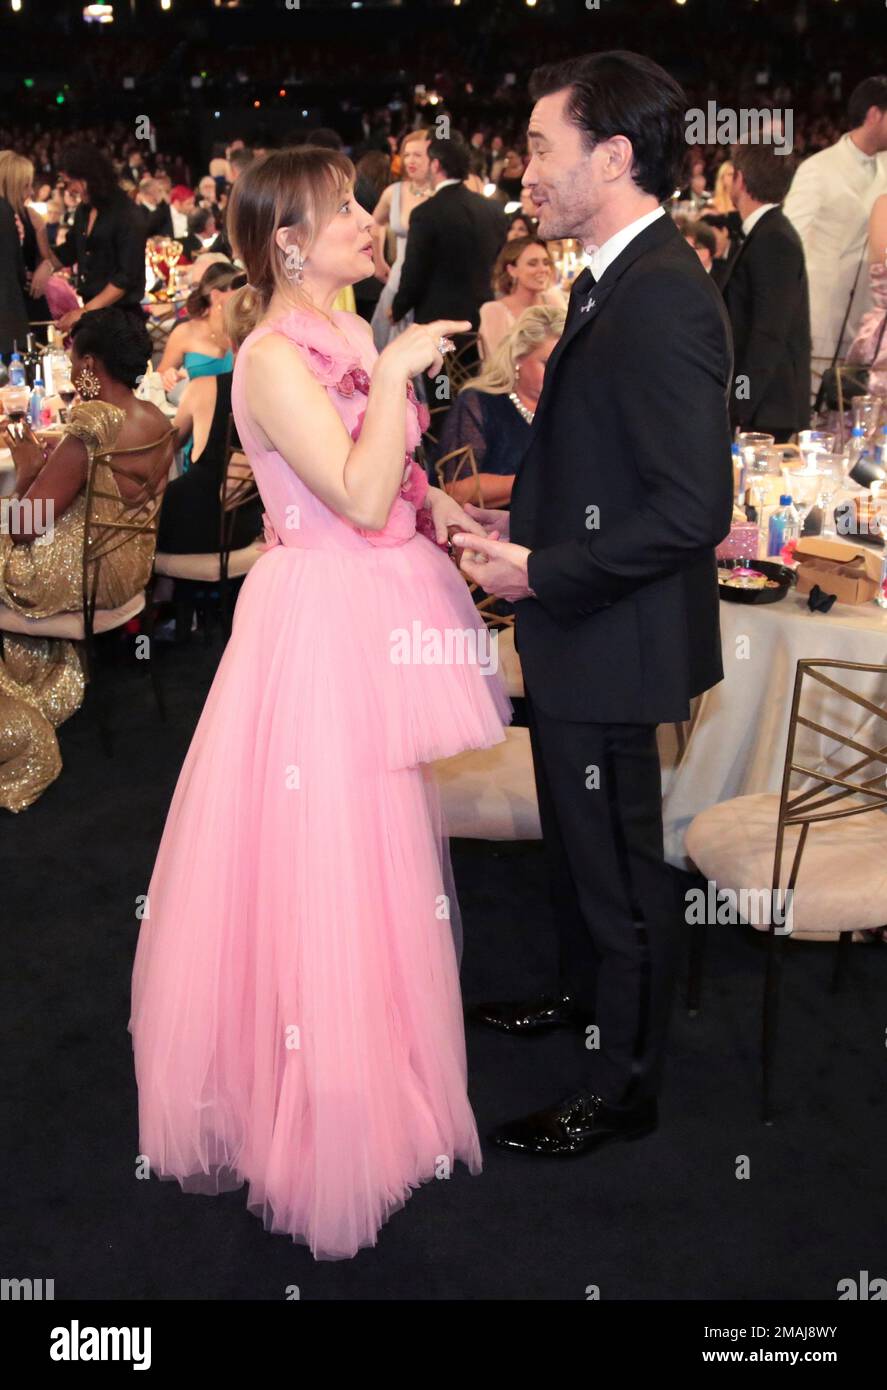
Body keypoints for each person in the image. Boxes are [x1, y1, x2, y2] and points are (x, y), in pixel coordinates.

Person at [128, 146, 511, 1260]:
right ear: (286, 241)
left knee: (389, 858)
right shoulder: (264, 361)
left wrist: (447, 510)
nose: (361, 219)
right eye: (338, 207)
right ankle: (309, 1113)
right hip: (317, 629)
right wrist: (394, 377)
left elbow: (386, 479)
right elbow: (343, 493)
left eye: (354, 200)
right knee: (326, 860)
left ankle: (374, 1081)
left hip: (382, 602)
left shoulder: (349, 335)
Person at [452, 50, 733, 1158]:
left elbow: (688, 510)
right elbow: (604, 465)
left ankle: (621, 1091)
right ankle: (582, 1000)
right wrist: (506, 524)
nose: (522, 170)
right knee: (579, 853)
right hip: (586, 629)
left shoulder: (660, 292)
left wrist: (539, 572)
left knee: (619, 872)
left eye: (538, 147)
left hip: (612, 640)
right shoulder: (615, 272)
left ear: (610, 156)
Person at [0, 309, 173, 812]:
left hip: (81, 578)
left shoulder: (93, 423)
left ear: (91, 364)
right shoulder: (155, 418)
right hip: (129, 570)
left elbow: (27, 523)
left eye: (73, 362)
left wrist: (30, 471)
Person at [784, 76, 887, 386]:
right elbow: (791, 241)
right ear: (874, 115)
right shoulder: (817, 169)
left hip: (872, 318)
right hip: (824, 316)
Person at [391, 134, 509, 373]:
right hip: (483, 318)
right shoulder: (494, 211)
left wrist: (398, 308)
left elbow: (414, 271)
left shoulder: (426, 213)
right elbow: (498, 257)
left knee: (441, 393)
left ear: (435, 165)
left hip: (439, 323)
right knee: (475, 389)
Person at [722, 144, 811, 442]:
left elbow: (767, 335)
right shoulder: (766, 232)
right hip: (763, 405)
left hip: (767, 409)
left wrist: (740, 403)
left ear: (741, 180)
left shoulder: (774, 238)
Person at [439, 303, 564, 508]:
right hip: (488, 531)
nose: (558, 374)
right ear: (519, 357)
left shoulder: (570, 408)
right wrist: (542, 481)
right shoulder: (479, 403)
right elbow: (456, 490)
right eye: (548, 364)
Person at [156, 366, 263, 555]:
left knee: (142, 516)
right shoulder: (285, 393)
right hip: (247, 527)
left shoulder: (203, 387)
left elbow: (168, 447)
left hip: (193, 523)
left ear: (232, 344)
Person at [51, 143, 148, 334]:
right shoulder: (83, 210)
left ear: (87, 177)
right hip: (93, 315)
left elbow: (125, 277)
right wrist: (44, 266)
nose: (68, 190)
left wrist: (84, 312)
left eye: (69, 182)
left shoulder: (127, 213)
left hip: (122, 320)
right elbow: (71, 250)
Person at [369, 130, 434, 351]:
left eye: (418, 155)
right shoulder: (393, 192)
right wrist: (377, 261)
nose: (410, 161)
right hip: (398, 280)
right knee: (386, 350)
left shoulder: (443, 194)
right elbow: (373, 224)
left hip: (432, 284)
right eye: (406, 155)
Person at [478, 236, 566, 359]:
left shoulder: (553, 300)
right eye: (532, 264)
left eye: (546, 263)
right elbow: (497, 364)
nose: (543, 269)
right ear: (512, 270)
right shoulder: (494, 311)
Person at [157, 261, 238, 392]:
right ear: (215, 296)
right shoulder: (185, 332)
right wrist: (169, 376)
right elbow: (159, 377)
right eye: (237, 290)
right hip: (196, 408)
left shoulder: (243, 328)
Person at [0, 151, 56, 331]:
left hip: (30, 302)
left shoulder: (32, 217)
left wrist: (46, 266)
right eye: (26, 186)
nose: (31, 192)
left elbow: (46, 258)